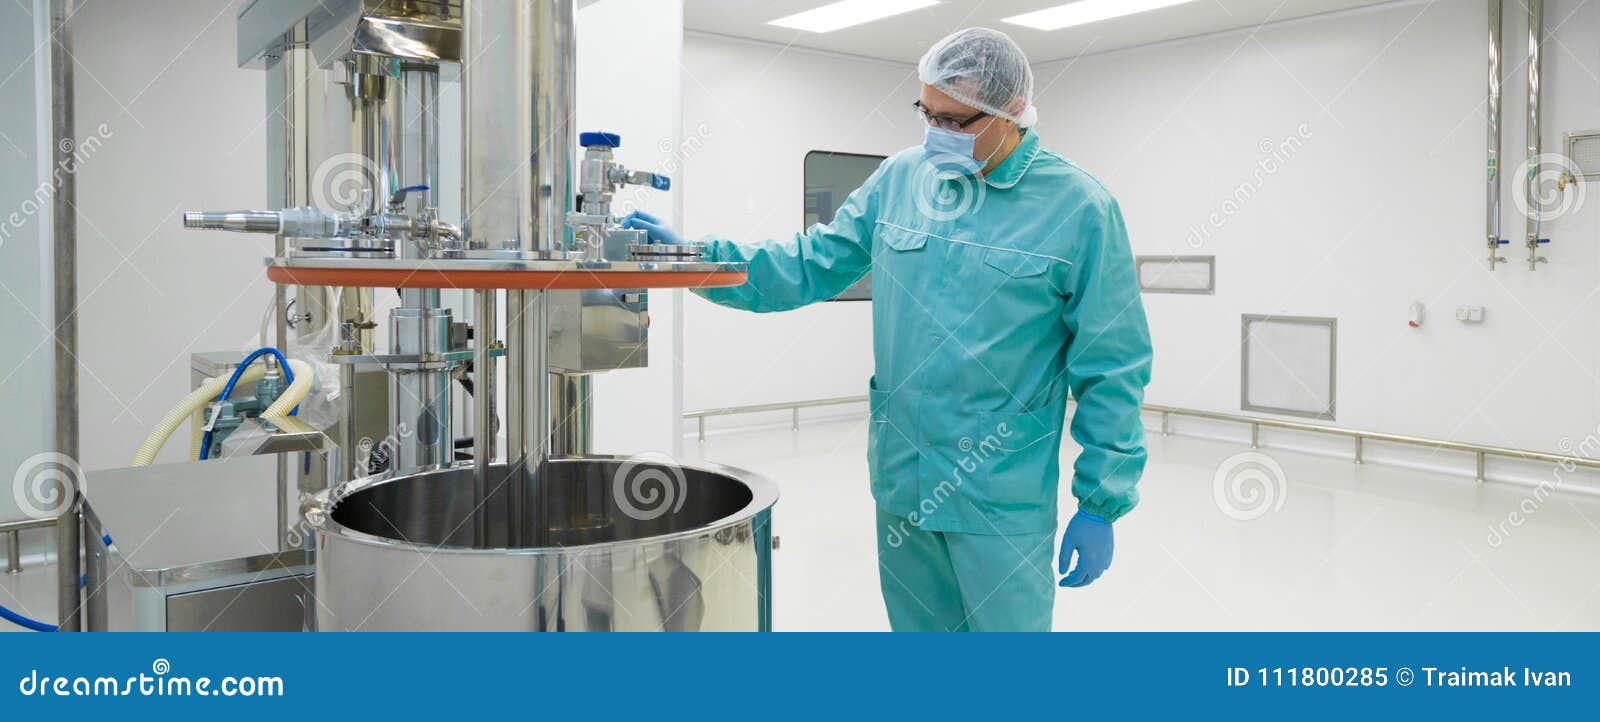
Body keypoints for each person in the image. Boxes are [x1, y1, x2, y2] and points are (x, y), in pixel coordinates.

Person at [623, 27, 1152, 632]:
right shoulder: (901, 180)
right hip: (903, 485)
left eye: (956, 121)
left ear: (1013, 112)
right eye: (927, 114)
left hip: (1000, 497)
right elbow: (806, 265)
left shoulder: (1079, 208)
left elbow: (1112, 362)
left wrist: (1100, 500)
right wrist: (694, 258)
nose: (937, 134)